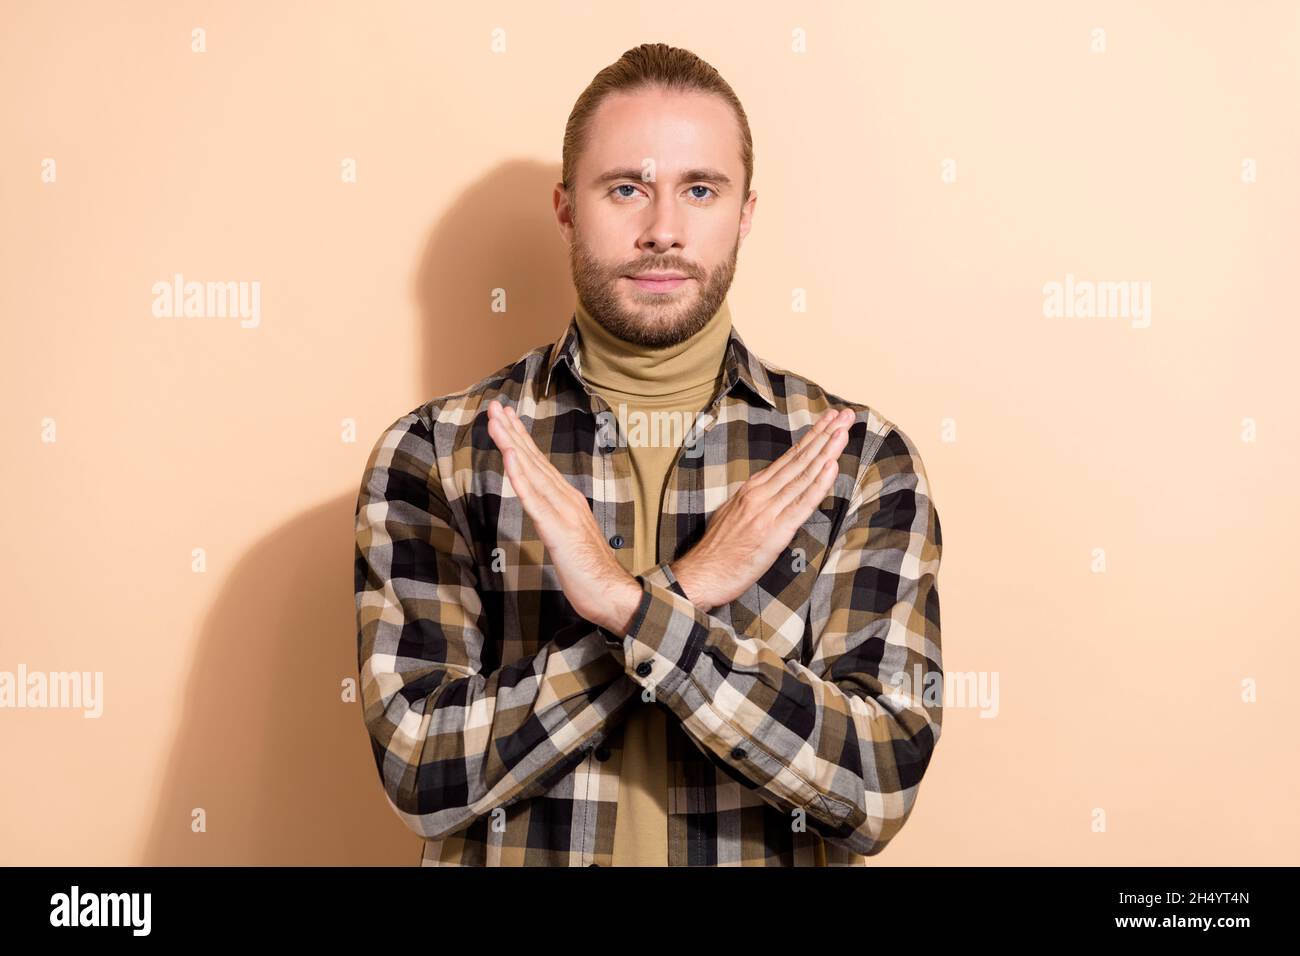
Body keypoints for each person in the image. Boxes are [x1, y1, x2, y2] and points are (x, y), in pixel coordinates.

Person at [353, 42, 943, 866]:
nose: (663, 230)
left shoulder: (856, 460)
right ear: (564, 208)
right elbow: (422, 770)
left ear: (744, 212)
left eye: (699, 190)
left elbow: (876, 787)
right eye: (626, 188)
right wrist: (689, 591)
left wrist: (632, 609)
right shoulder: (437, 453)